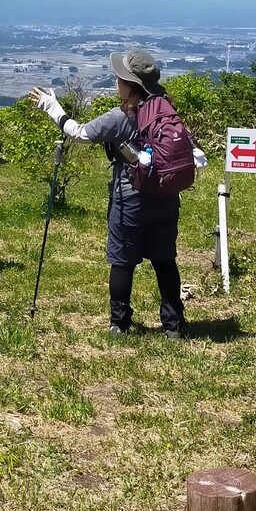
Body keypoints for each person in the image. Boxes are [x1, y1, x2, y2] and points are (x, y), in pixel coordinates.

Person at [30, 50, 190, 339]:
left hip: (130, 200)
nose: (116, 82)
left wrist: (52, 108)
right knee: (165, 261)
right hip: (166, 198)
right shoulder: (167, 109)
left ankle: (119, 323)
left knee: (122, 262)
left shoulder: (120, 117)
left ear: (131, 85)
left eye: (120, 78)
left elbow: (79, 133)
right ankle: (174, 325)